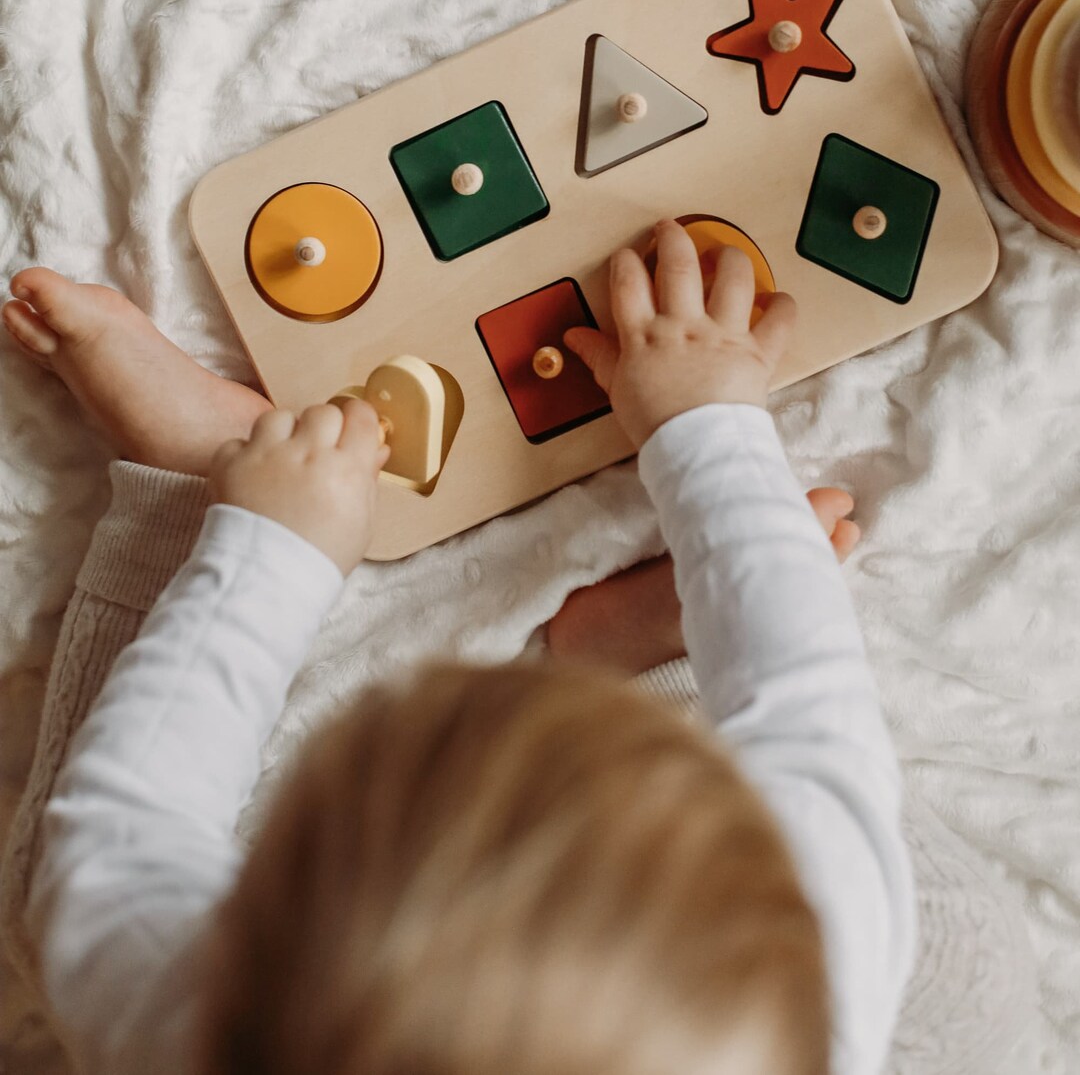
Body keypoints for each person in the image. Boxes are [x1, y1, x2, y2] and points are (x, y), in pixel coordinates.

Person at [0, 221, 915, 1075]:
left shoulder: (189, 1021)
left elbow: (121, 831)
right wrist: (707, 420)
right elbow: (803, 685)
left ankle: (199, 486)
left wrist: (266, 546)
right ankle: (635, 669)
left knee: (44, 917)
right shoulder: (829, 930)